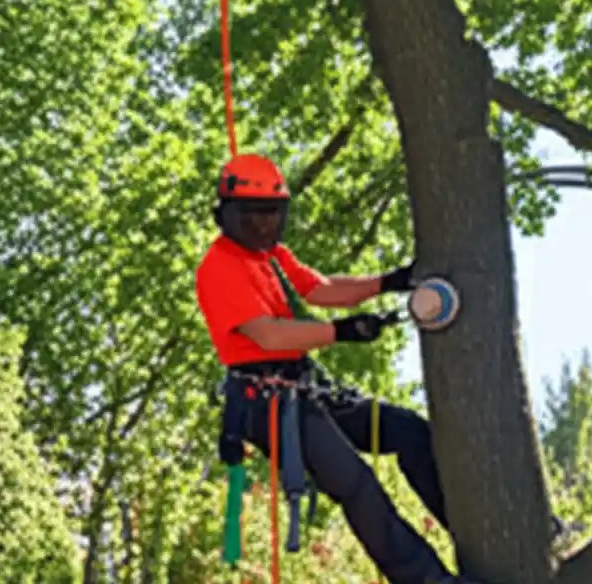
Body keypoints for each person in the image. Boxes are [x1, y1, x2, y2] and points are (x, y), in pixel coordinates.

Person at [194, 153, 474, 584]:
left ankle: (473, 535)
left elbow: (321, 289)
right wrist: (340, 332)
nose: (263, 226)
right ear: (227, 215)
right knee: (357, 486)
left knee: (407, 431)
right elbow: (267, 335)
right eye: (252, 217)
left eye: (271, 215)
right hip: (265, 402)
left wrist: (388, 282)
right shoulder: (219, 267)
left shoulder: (271, 257)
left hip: (302, 387)